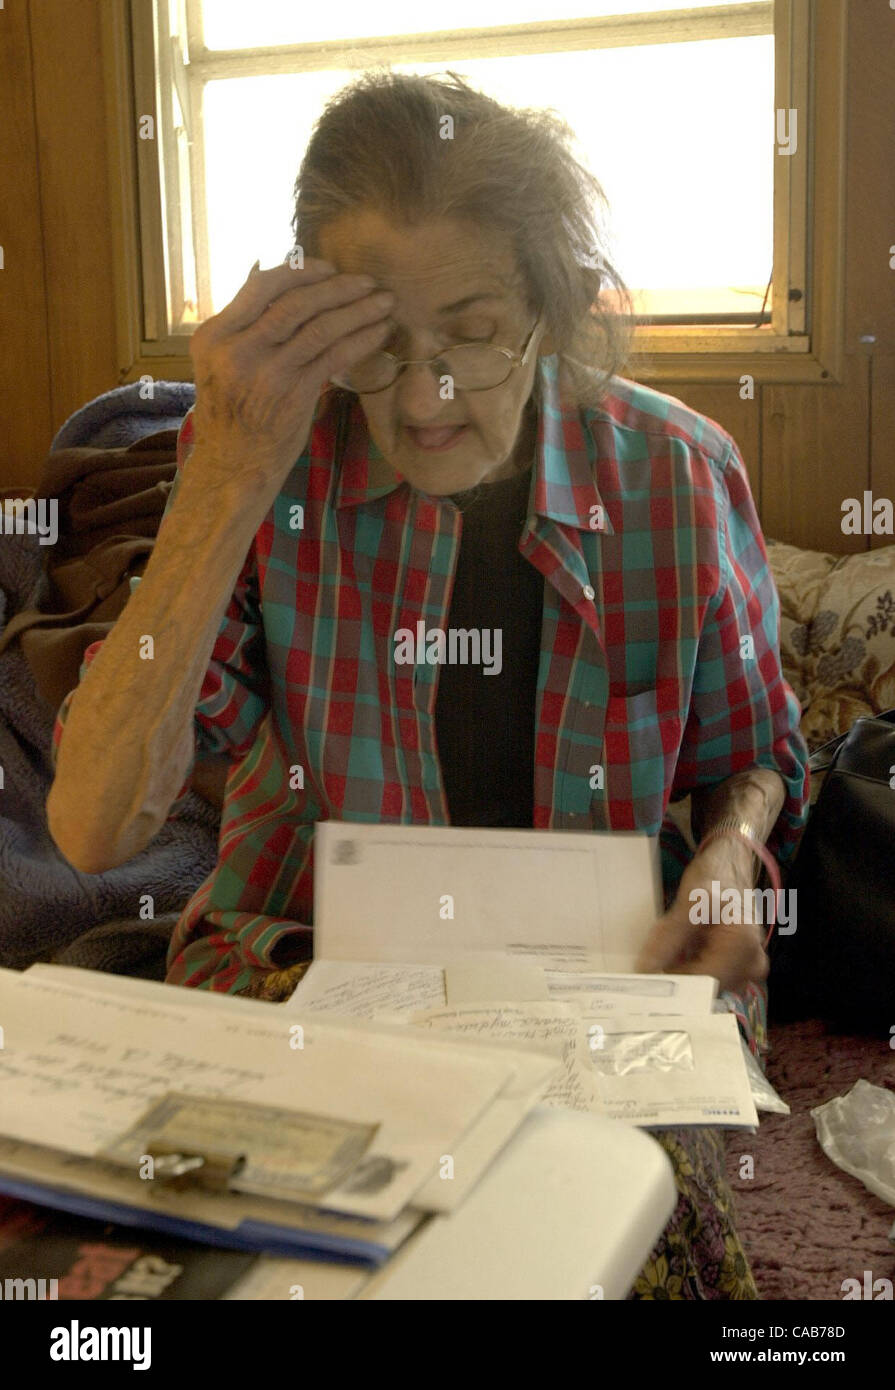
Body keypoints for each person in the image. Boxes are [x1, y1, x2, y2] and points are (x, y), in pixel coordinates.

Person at [47, 70, 809, 1298]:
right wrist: (227, 475)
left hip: (605, 985)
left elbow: (757, 756)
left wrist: (732, 851)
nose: (420, 398)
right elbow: (95, 824)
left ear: (552, 309)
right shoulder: (262, 459)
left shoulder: (674, 473)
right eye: (379, 343)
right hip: (309, 961)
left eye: (472, 330)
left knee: (608, 1251)